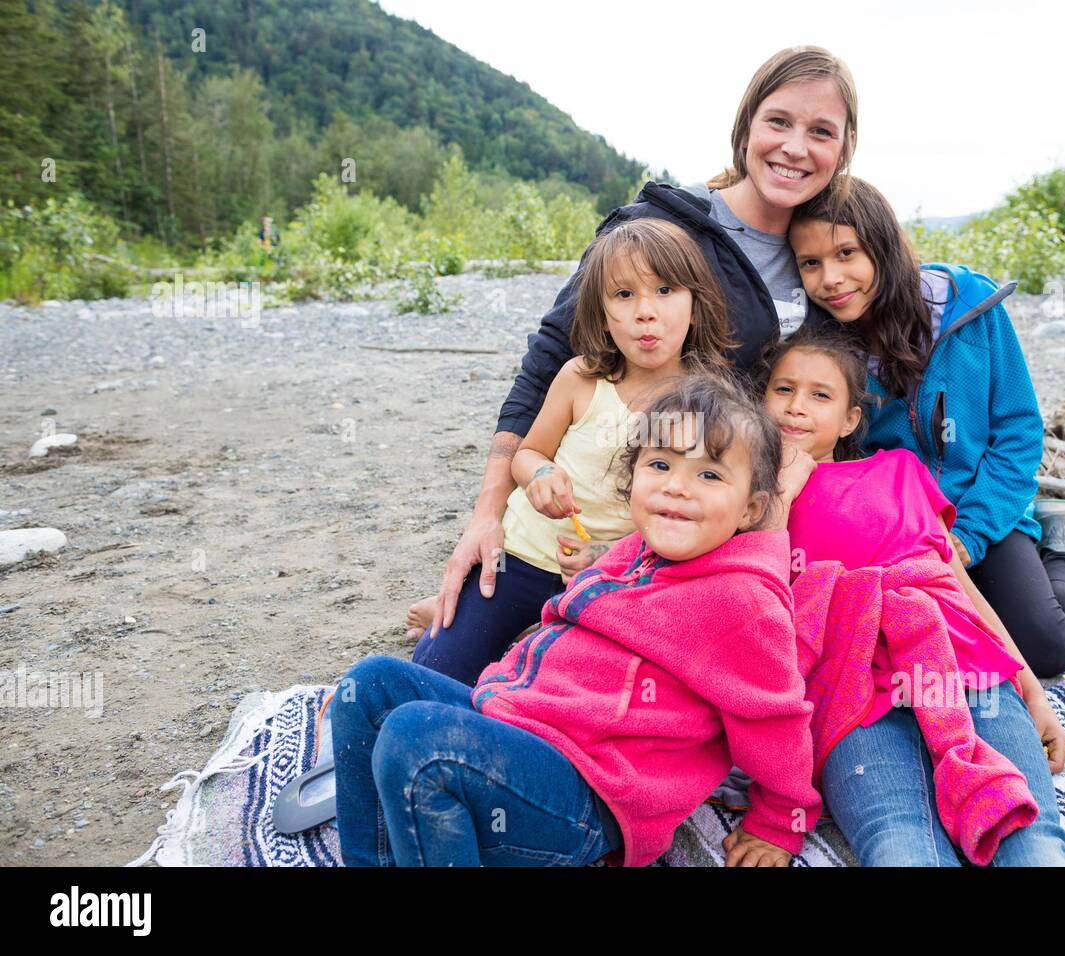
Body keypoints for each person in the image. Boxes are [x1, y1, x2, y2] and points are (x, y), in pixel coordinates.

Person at [423, 47, 860, 675]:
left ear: (843, 150)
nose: (795, 147)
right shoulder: (660, 231)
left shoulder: (825, 252)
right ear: (744, 129)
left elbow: (861, 349)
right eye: (778, 122)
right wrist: (485, 517)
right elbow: (547, 361)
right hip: (595, 521)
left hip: (698, 511)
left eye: (821, 132)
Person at [333, 374, 822, 866]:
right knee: (372, 683)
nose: (676, 487)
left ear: (752, 509)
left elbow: (774, 724)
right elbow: (563, 628)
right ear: (633, 482)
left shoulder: (743, 601)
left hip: (588, 796)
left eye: (709, 475)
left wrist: (782, 823)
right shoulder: (638, 550)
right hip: (530, 731)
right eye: (660, 464)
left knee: (418, 739)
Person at [758, 324, 1065, 865]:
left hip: (964, 667)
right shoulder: (749, 502)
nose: (797, 407)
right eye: (783, 389)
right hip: (851, 692)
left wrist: (1030, 688)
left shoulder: (897, 471)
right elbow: (752, 597)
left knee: (1033, 841)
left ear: (851, 419)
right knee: (902, 846)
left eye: (820, 395)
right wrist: (781, 489)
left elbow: (957, 585)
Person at [404, 218, 736, 684]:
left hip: (618, 579)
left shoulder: (706, 405)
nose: (645, 312)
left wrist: (615, 553)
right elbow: (528, 452)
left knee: (561, 685)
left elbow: (701, 513)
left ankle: (511, 634)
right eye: (623, 295)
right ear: (600, 314)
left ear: (697, 304)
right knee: (436, 671)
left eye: (665, 291)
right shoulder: (581, 378)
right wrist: (539, 475)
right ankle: (459, 619)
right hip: (518, 556)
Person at [792, 177, 1065, 678]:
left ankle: (1059, 542)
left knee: (1046, 648)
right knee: (903, 650)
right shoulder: (826, 347)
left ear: (882, 247)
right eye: (811, 264)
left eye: (847, 253)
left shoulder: (969, 310)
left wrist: (969, 535)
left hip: (980, 510)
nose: (831, 279)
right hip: (899, 527)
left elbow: (1017, 429)